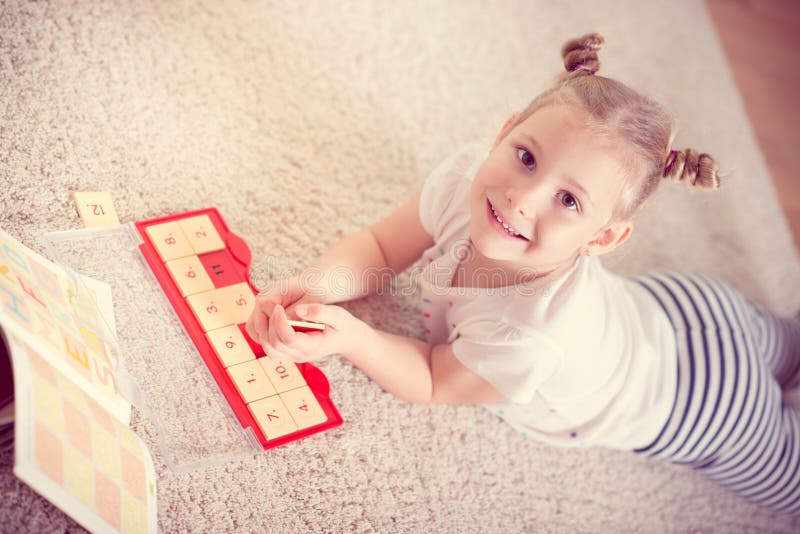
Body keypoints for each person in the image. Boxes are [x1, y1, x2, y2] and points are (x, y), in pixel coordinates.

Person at [245, 33, 800, 515]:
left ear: (603, 239)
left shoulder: (529, 333)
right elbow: (380, 246)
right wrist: (320, 285)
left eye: (567, 200)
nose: (521, 199)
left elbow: (436, 380)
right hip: (689, 307)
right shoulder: (465, 178)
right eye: (526, 157)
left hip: (708, 408)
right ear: (504, 131)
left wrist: (357, 339)